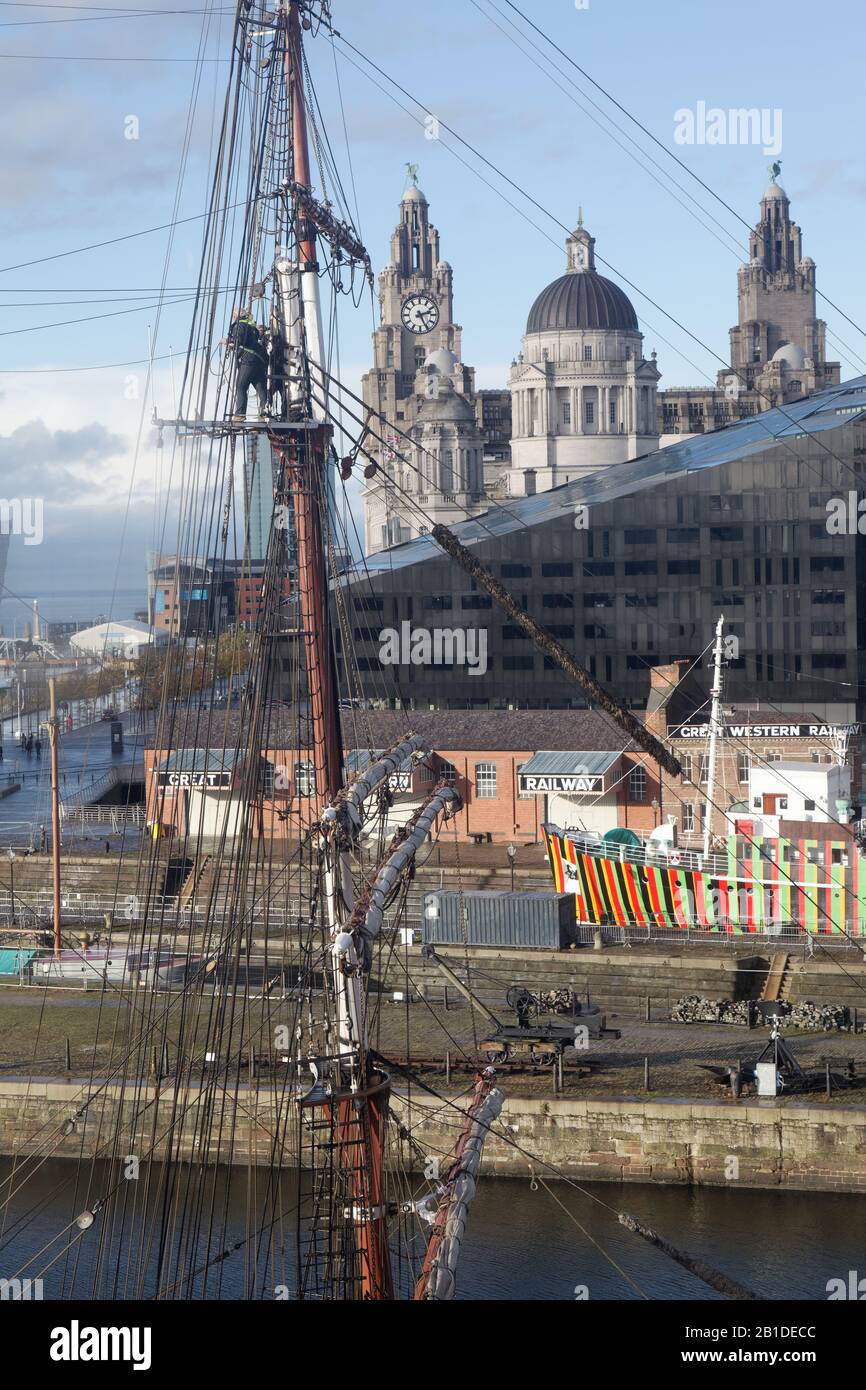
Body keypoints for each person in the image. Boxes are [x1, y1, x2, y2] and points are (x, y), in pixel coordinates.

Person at [225, 307, 268, 421]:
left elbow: (238, 341)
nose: (232, 318)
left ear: (237, 316)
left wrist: (227, 342)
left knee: (241, 386)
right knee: (260, 388)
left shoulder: (239, 326)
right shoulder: (252, 327)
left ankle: (240, 415)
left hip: (247, 360)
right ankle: (265, 413)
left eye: (233, 315)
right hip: (259, 361)